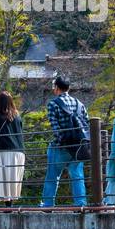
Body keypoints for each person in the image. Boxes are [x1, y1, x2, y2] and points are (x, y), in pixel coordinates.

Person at [41, 75, 89, 207]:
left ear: (56, 88)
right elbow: (86, 125)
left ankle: (48, 204)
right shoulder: (80, 104)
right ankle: (80, 204)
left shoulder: (53, 104)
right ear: (69, 87)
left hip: (61, 147)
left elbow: (56, 129)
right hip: (78, 147)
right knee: (77, 176)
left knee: (52, 176)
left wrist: (60, 143)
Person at [0, 91, 26, 207]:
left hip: (5, 151)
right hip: (19, 152)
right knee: (14, 179)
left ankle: (8, 207)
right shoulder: (17, 117)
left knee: (5, 178)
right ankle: (10, 205)